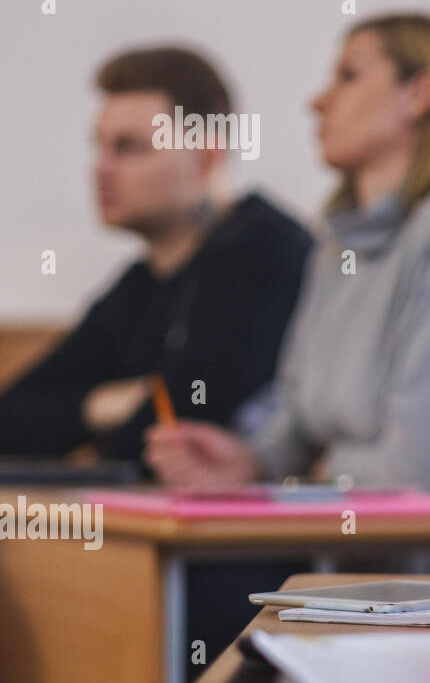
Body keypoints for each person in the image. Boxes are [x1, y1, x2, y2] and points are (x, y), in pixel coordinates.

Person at [145, 13, 430, 570]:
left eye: (347, 75)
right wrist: (246, 460)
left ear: (419, 93)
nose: (317, 102)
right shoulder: (335, 244)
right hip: (373, 570)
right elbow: (298, 417)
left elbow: (416, 473)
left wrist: (309, 473)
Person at [0, 46, 311, 470]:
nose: (101, 169)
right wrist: (103, 404)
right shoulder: (144, 281)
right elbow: (9, 418)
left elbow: (166, 435)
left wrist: (116, 416)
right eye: (101, 146)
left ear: (205, 159)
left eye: (128, 148)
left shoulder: (268, 254)